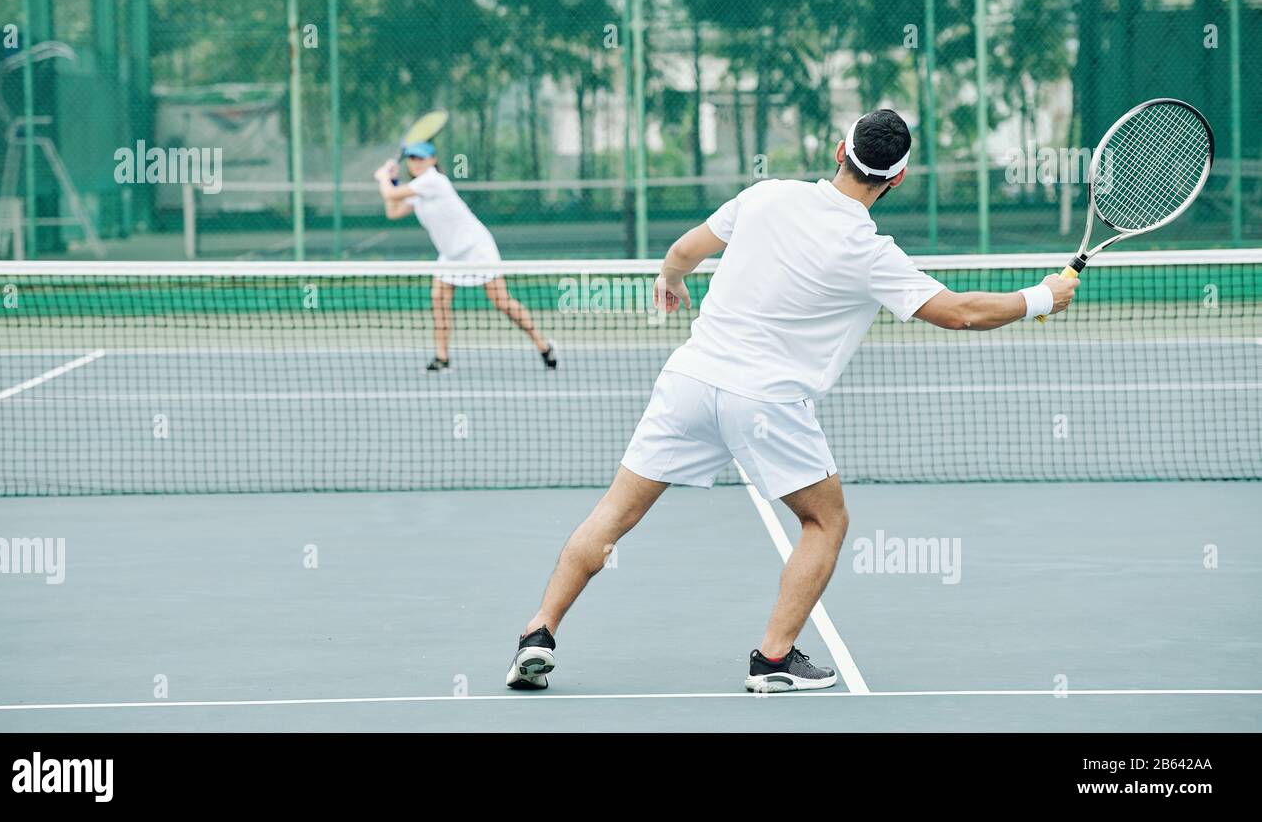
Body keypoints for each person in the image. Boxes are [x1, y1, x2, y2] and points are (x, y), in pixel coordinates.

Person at [506, 108, 1079, 692]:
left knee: (613, 514)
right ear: (897, 179)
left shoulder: (765, 196)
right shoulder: (871, 252)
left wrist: (672, 278)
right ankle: (774, 660)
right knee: (825, 521)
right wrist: (1041, 297)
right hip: (766, 403)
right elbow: (958, 314)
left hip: (689, 379)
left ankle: (538, 633)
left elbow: (683, 249)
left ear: (839, 151)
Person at [375, 142, 557, 372]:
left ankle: (544, 346)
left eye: (420, 158)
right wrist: (391, 180)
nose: (415, 162)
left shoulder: (433, 180)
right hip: (451, 255)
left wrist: (383, 178)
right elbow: (393, 211)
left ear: (432, 160)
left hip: (476, 249)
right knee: (439, 299)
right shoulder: (417, 188)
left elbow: (390, 194)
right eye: (411, 158)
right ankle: (442, 358)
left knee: (502, 302)